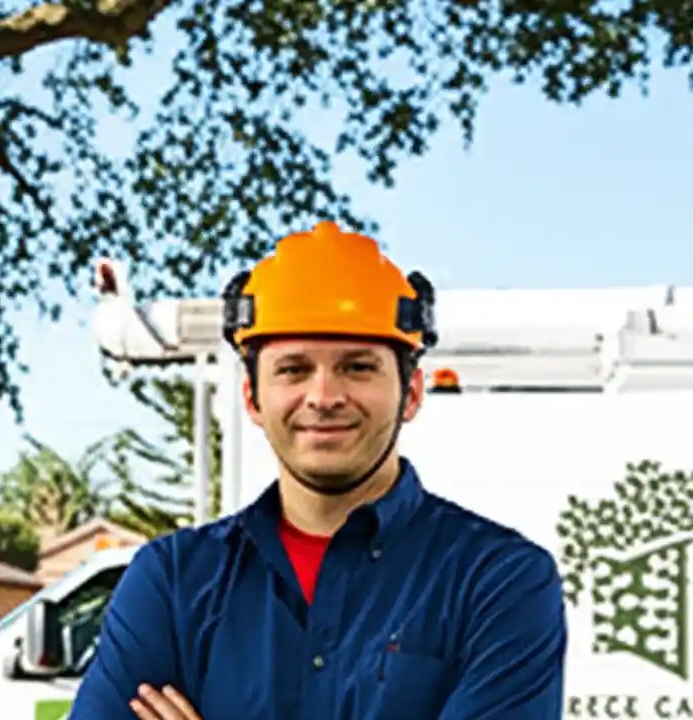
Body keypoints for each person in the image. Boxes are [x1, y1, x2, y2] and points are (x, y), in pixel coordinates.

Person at [68, 221, 567, 719]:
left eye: (357, 367)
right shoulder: (172, 581)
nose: (324, 397)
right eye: (293, 369)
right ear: (253, 398)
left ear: (411, 395)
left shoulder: (500, 582)